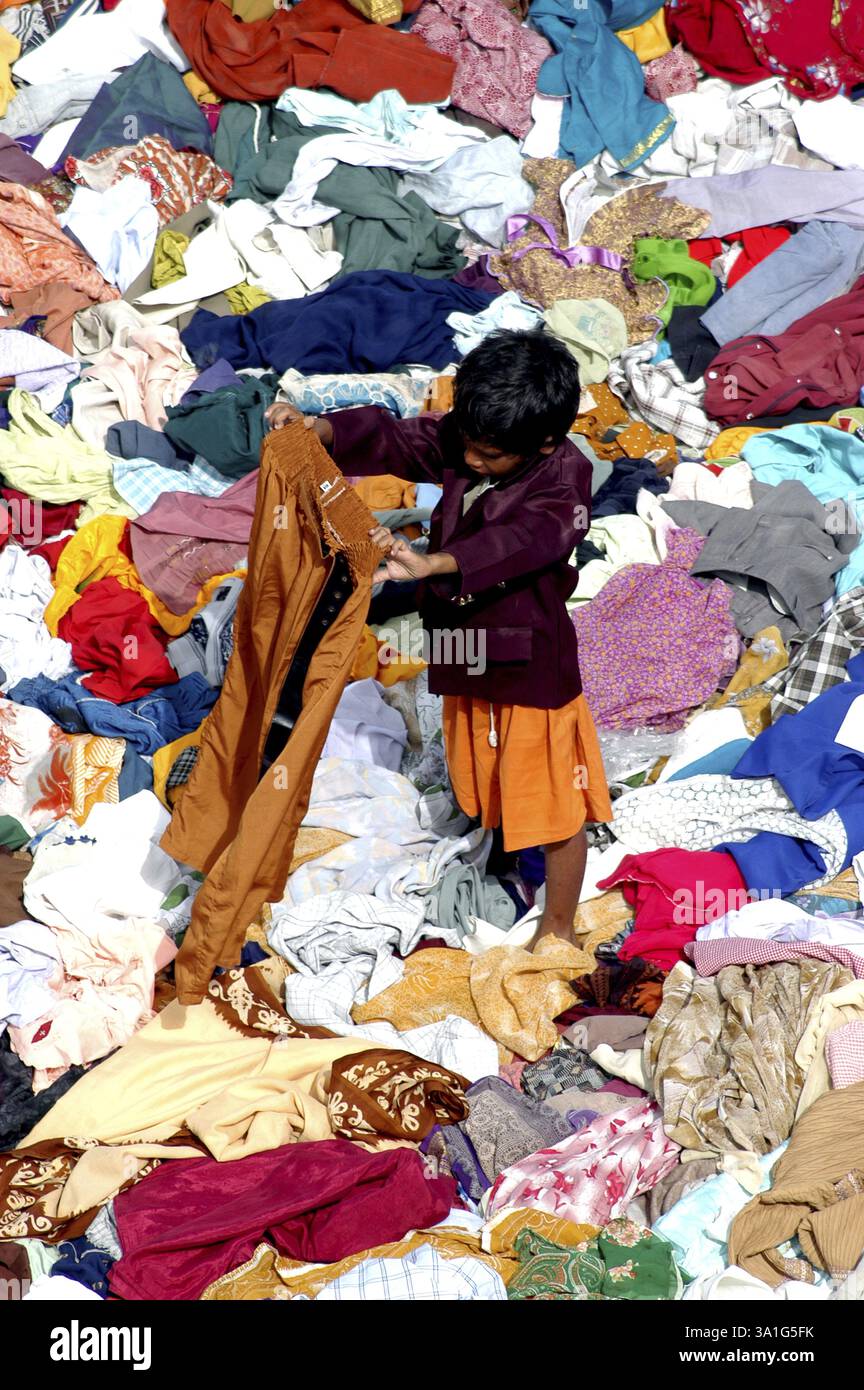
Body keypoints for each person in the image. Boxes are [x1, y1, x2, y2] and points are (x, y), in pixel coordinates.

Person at [265, 328, 612, 942]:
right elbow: (399, 436)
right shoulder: (469, 440)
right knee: (481, 766)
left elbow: (527, 539)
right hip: (461, 646)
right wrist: (319, 432)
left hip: (528, 661)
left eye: (491, 456)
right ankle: (502, 855)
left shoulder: (565, 479)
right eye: (469, 446)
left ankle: (557, 926)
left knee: (552, 796)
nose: (473, 461)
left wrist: (434, 563)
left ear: (547, 440)